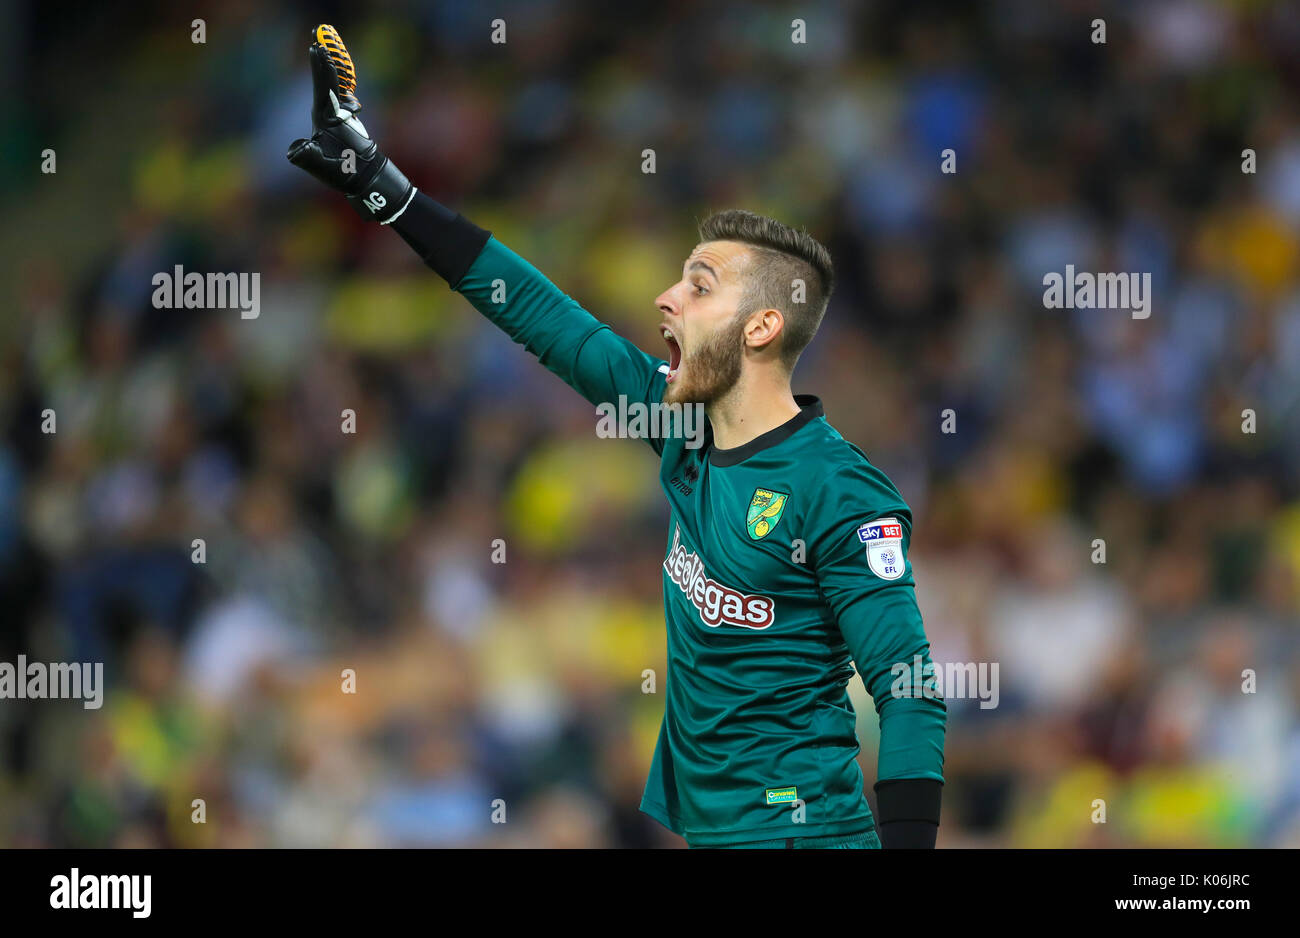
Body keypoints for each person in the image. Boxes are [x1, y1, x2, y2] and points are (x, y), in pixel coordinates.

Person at [288, 24, 946, 848]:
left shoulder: (839, 493)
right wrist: (382, 186)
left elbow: (910, 687)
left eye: (698, 287)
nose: (667, 298)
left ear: (761, 327)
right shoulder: (680, 427)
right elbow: (539, 313)